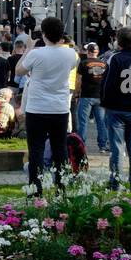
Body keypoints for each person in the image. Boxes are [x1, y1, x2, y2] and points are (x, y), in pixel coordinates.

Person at [19, 17, 78, 193]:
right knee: (60, 150)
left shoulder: (36, 54)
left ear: (44, 34)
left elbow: (18, 70)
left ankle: (35, 188)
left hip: (37, 108)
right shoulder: (71, 54)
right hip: (59, 108)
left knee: (35, 150)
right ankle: (62, 187)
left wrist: (28, 49)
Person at [100, 28, 131, 190]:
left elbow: (108, 83)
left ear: (119, 41)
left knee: (117, 149)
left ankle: (116, 184)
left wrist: (104, 102)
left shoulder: (116, 58)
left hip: (117, 107)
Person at [74, 41, 109, 154]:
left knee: (83, 122)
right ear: (97, 52)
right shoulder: (104, 64)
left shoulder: (83, 63)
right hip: (100, 97)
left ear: (88, 52)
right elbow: (107, 81)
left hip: (86, 96)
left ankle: (81, 146)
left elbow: (78, 81)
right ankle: (103, 146)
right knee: (101, 122)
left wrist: (76, 94)